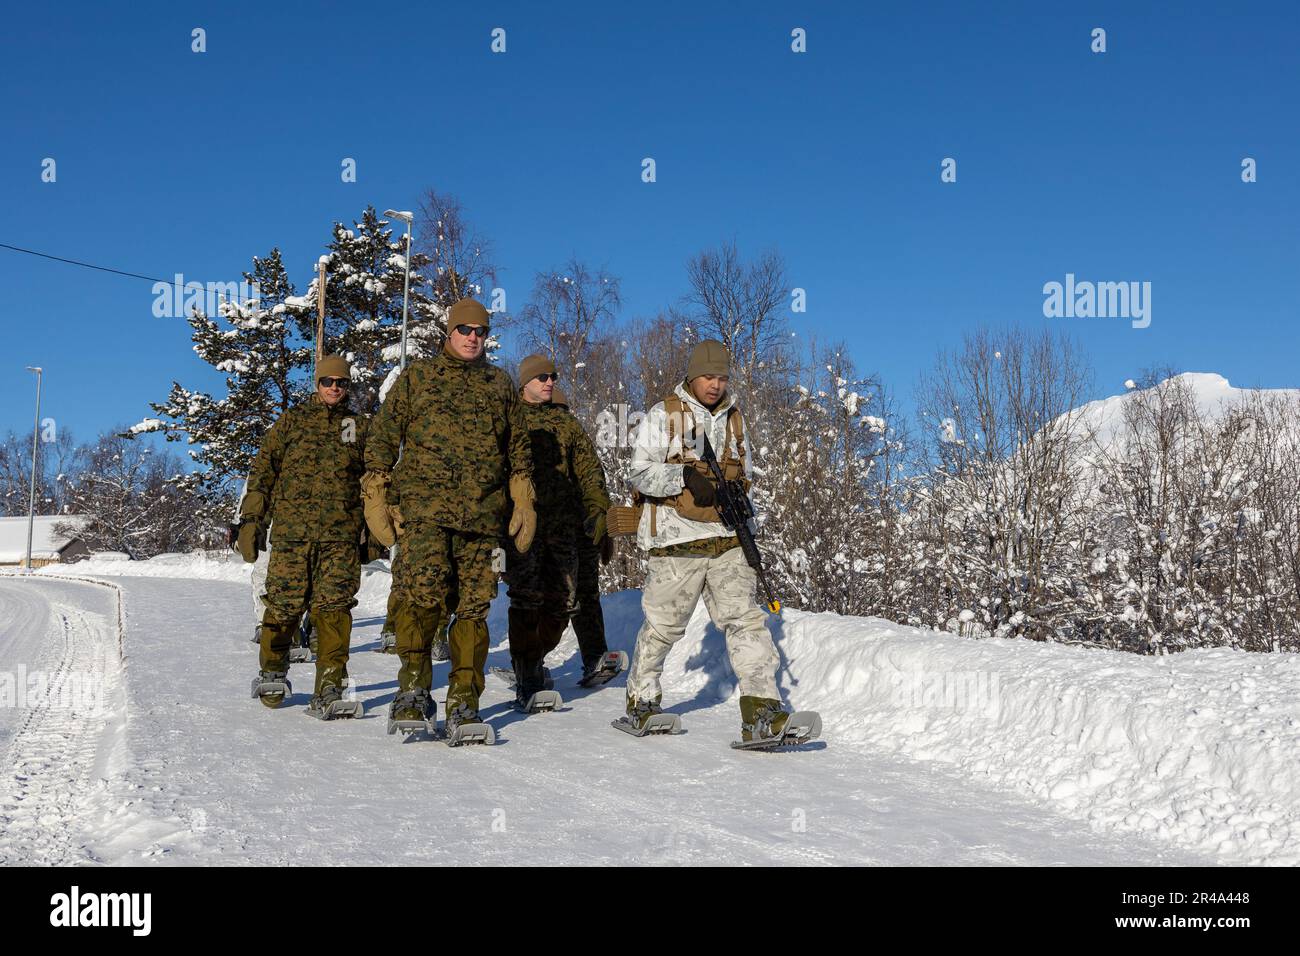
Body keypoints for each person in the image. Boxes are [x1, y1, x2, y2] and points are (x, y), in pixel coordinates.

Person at [362, 298, 535, 738]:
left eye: (480, 331)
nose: (473, 338)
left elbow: (518, 448)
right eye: (465, 330)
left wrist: (523, 500)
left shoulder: (500, 385)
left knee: (474, 612)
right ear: (450, 332)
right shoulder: (417, 377)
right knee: (420, 602)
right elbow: (383, 434)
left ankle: (464, 701)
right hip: (424, 515)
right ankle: (414, 692)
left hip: (482, 519)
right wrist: (376, 493)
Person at [622, 340, 790, 742]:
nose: (715, 385)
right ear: (692, 376)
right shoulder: (665, 415)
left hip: (727, 539)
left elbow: (744, 475)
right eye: (708, 377)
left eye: (722, 378)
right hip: (676, 540)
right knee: (664, 626)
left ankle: (762, 712)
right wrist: (682, 477)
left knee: (746, 621)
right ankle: (642, 700)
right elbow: (638, 472)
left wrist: (747, 509)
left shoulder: (735, 419)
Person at [237, 355, 368, 718]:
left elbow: (373, 479)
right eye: (328, 382)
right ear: (317, 383)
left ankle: (330, 684)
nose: (334, 389)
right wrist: (252, 519)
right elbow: (263, 470)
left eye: (341, 383)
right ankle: (273, 670)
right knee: (284, 606)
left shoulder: (356, 427)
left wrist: (373, 529)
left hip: (340, 538)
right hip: (293, 534)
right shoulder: (292, 422)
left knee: (335, 611)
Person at [504, 357, 611, 708]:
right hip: (523, 527)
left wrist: (598, 510)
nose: (550, 381)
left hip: (563, 526)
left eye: (553, 376)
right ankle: (528, 674)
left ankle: (533, 656)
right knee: (526, 598)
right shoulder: (509, 417)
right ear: (525, 382)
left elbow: (590, 469)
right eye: (542, 377)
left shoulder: (566, 423)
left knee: (564, 601)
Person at [550, 385, 619, 682]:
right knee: (552, 597)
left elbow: (596, 484)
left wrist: (603, 528)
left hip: (581, 531)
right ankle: (529, 662)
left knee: (583, 595)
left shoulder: (576, 440)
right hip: (552, 533)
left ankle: (594, 657)